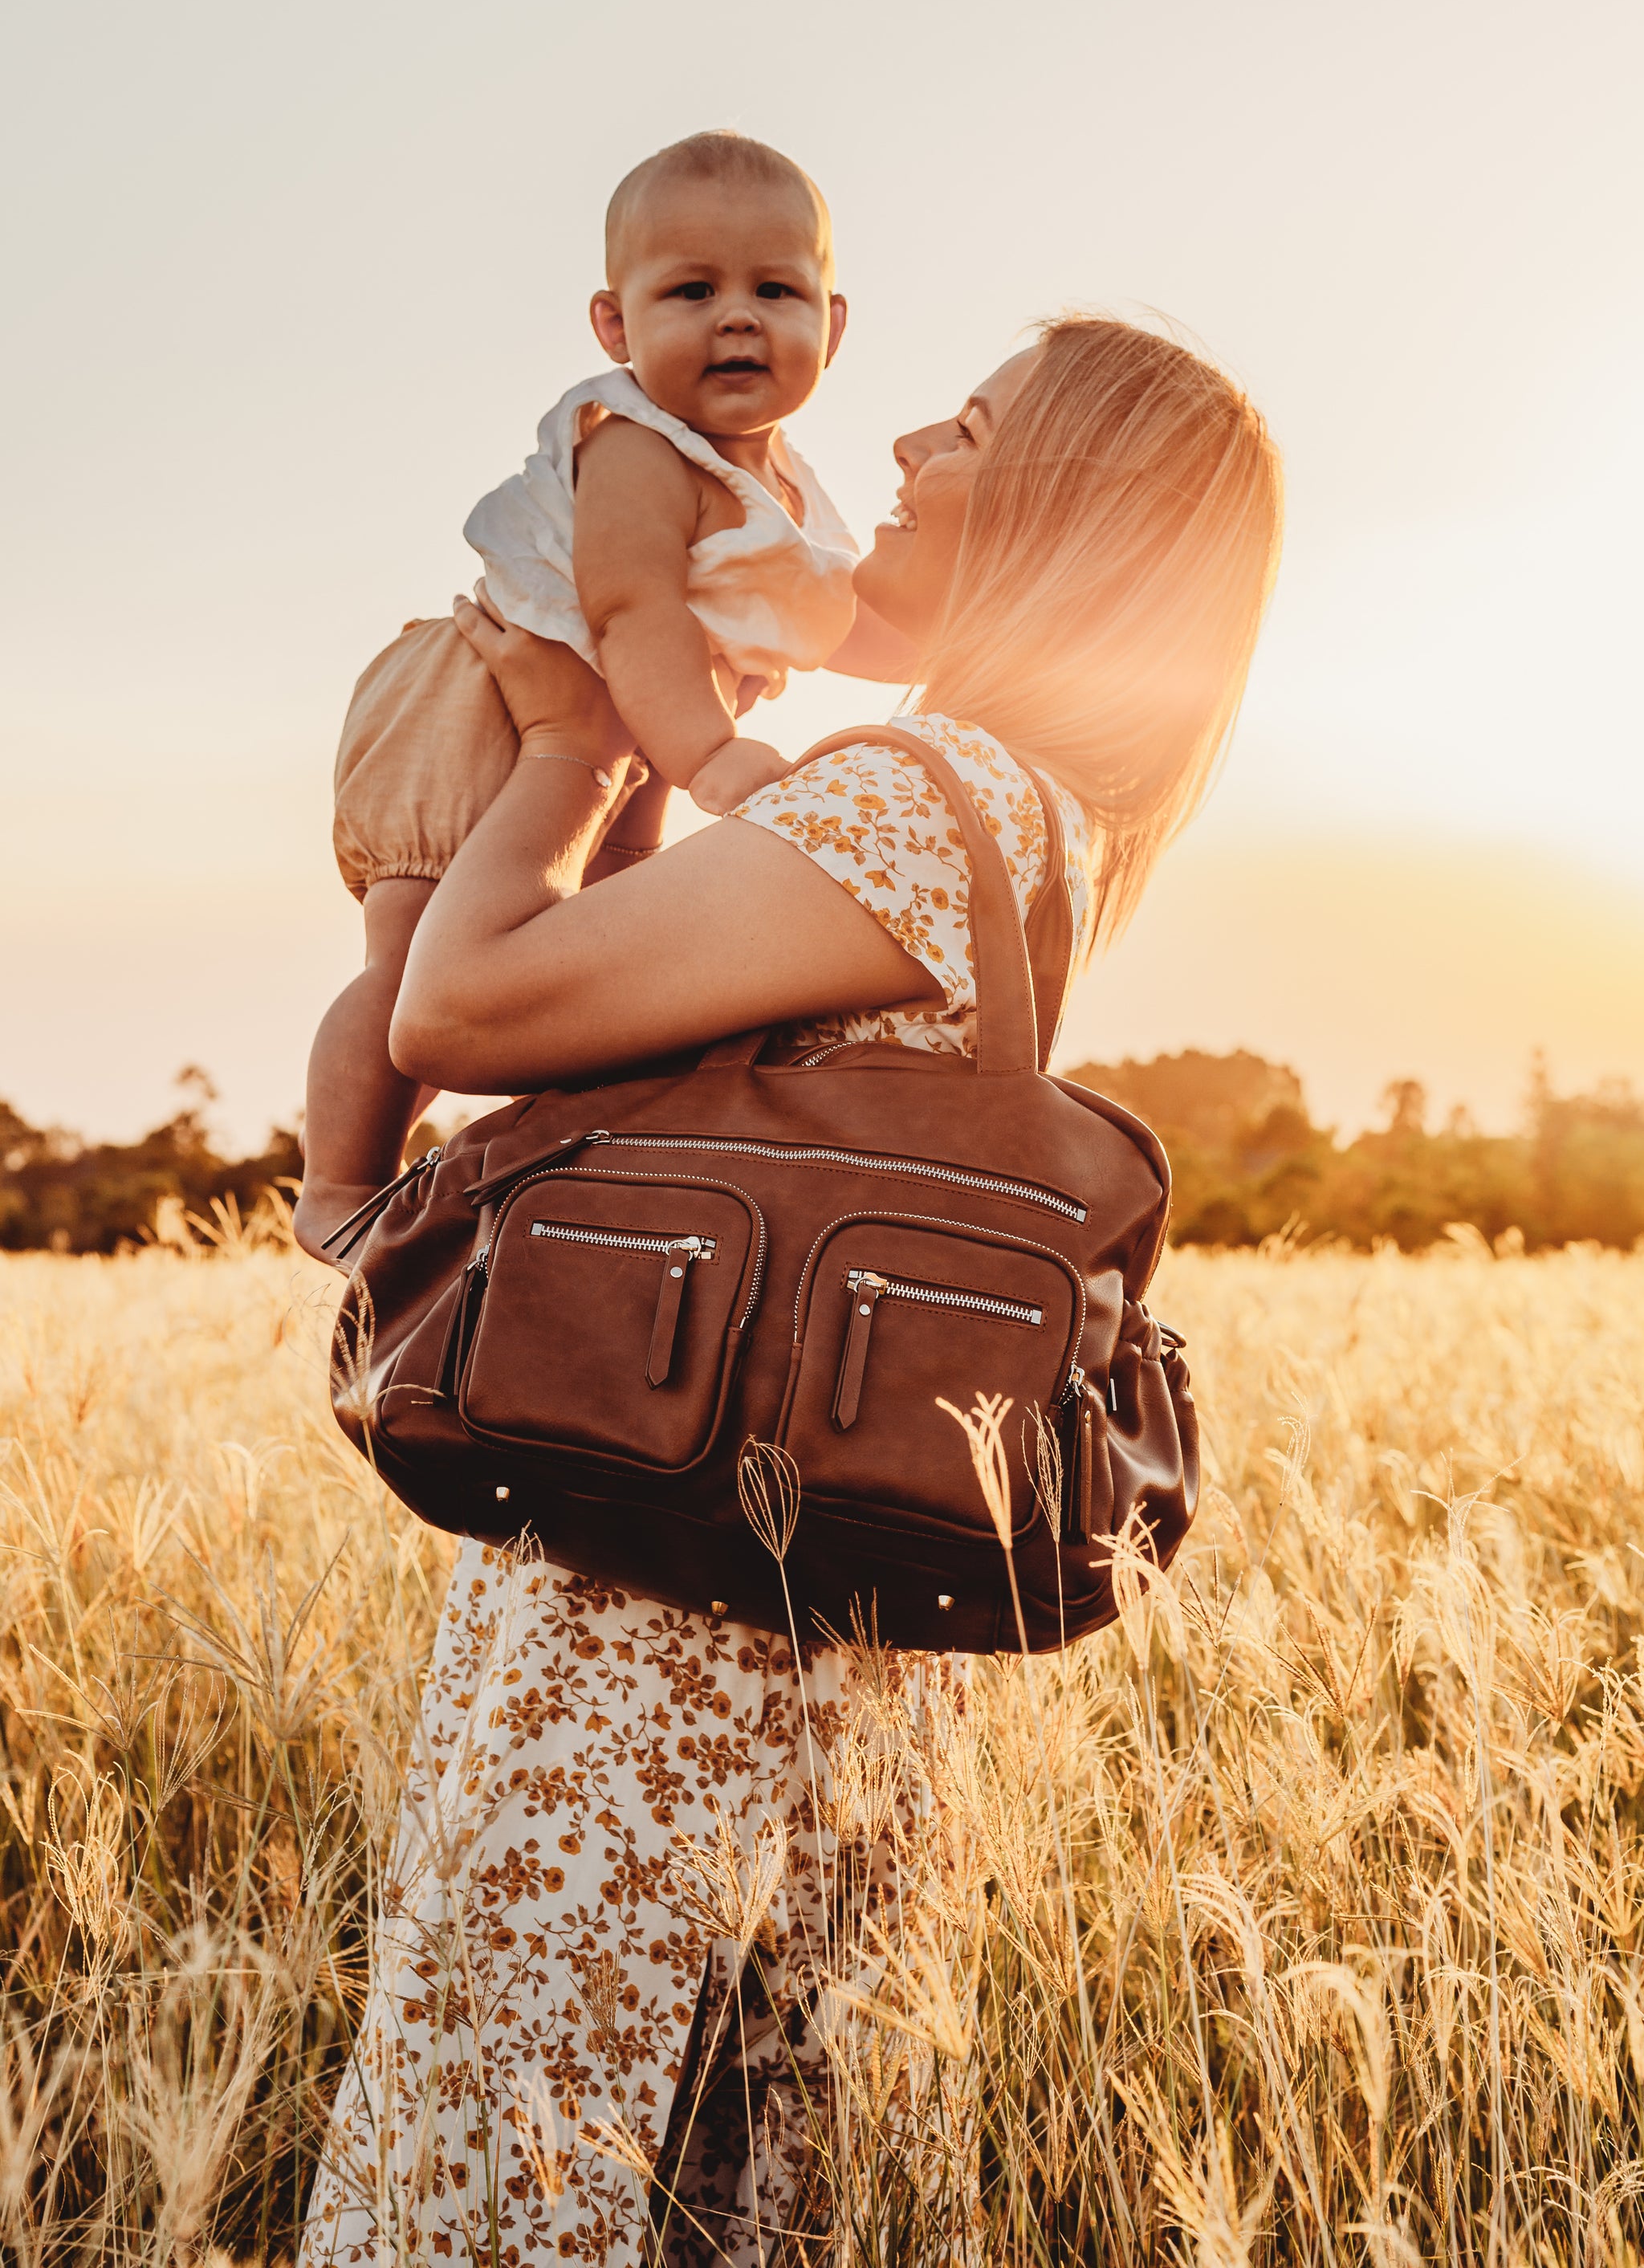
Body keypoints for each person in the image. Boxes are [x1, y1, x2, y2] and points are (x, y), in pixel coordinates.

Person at [297, 316, 1284, 2265]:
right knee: (723, 2181)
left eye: (977, 428)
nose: (904, 438)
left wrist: (576, 753)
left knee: (531, 2164)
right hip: (830, 1623)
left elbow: (467, 1005)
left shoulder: (932, 792)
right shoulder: (1030, 822)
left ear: (1067, 516)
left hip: (664, 1635)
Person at [295, 132, 858, 1264]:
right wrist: (707, 759)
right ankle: (340, 1183)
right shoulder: (640, 448)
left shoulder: (784, 486)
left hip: (621, 732)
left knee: (585, 977)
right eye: (693, 290)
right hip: (482, 699)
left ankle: (564, 1183)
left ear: (833, 324)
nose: (738, 317)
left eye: (776, 289)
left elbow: (843, 614)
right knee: (413, 967)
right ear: (616, 327)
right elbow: (632, 614)